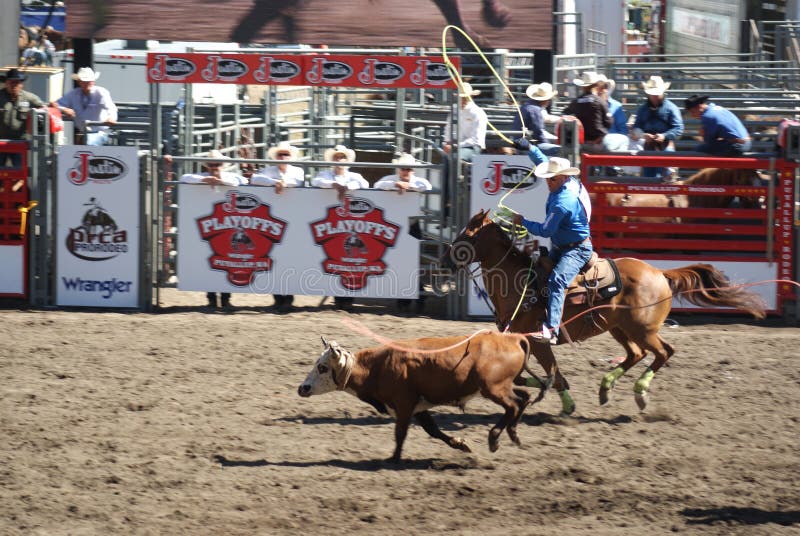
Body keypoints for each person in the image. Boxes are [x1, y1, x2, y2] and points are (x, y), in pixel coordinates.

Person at [511, 157, 592, 343]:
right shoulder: (564, 185)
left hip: (577, 249)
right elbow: (542, 159)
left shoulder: (563, 202)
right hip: (562, 246)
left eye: (552, 179)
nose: (548, 182)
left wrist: (522, 221)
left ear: (564, 177)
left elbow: (546, 230)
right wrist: (529, 148)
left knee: (556, 281)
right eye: (547, 178)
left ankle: (552, 330)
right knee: (537, 274)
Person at [179, 150, 248, 309]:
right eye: (211, 164)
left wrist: (220, 181)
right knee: (210, 257)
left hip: (225, 223)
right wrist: (205, 179)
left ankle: (225, 297)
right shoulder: (200, 177)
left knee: (226, 258)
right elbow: (184, 178)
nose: (214, 167)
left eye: (217, 164)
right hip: (213, 223)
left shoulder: (231, 177)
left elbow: (243, 181)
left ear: (222, 165)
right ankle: (211, 297)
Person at [311, 144, 368, 310]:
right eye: (336, 157)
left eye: (342, 157)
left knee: (348, 259)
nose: (339, 160)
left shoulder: (355, 176)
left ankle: (347, 298)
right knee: (337, 256)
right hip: (337, 224)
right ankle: (339, 296)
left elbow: (364, 183)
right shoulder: (325, 175)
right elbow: (317, 181)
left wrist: (348, 188)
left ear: (347, 160)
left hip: (346, 223)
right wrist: (335, 185)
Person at [251, 141, 305, 310]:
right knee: (273, 255)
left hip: (291, 216)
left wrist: (283, 182)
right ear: (276, 156)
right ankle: (278, 297)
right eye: (280, 154)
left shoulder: (297, 171)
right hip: (272, 219)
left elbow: (299, 181)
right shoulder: (268, 171)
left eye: (286, 154)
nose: (283, 157)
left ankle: (288, 296)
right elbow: (255, 179)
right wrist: (275, 182)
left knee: (288, 256)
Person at [375, 153, 432, 313]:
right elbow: (378, 185)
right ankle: (410, 296)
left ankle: (412, 296)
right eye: (403, 168)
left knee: (412, 262)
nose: (406, 171)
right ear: (398, 169)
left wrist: (409, 187)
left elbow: (427, 186)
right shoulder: (390, 179)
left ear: (413, 170)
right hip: (395, 226)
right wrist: (397, 184)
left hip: (411, 226)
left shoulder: (418, 181)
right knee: (400, 262)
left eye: (408, 168)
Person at [632, 76, 684, 180]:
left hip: (666, 147)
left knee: (668, 179)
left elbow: (678, 128)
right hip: (648, 148)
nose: (654, 97)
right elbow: (636, 127)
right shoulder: (642, 109)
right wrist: (643, 135)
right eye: (652, 94)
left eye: (656, 94)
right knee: (648, 180)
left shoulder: (671, 108)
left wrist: (664, 136)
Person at [563, 72, 627, 153]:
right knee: (625, 139)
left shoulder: (575, 103)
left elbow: (565, 115)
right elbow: (609, 122)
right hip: (598, 143)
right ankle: (614, 164)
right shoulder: (600, 102)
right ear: (595, 86)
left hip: (580, 144)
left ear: (583, 87)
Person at [51, 67, 117, 146]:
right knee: (84, 144)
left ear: (93, 81)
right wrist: (64, 109)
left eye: (89, 81)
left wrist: (111, 118)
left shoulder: (101, 92)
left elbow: (111, 108)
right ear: (79, 82)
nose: (87, 83)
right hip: (83, 133)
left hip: (100, 133)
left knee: (87, 144)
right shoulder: (73, 93)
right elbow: (54, 104)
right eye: (84, 81)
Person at [0, 68, 45, 168]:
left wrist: (60, 109)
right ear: (6, 83)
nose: (14, 85)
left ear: (21, 84)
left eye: (16, 83)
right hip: (0, 143)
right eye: (11, 82)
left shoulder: (29, 98)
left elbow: (43, 107)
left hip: (19, 143)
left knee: (21, 172)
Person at [684, 94, 752, 156]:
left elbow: (709, 142)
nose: (692, 116)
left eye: (693, 112)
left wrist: (703, 133)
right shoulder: (719, 108)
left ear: (699, 106)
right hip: (746, 142)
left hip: (737, 146)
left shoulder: (707, 116)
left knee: (699, 150)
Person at [511, 82, 560, 157]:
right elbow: (538, 134)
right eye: (549, 99)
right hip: (527, 146)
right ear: (545, 100)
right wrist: (550, 143)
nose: (549, 101)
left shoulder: (526, 106)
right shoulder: (535, 110)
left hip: (521, 144)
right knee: (559, 150)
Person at [444, 82, 487, 163]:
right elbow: (448, 128)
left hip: (473, 147)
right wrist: (448, 142)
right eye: (461, 98)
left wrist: (454, 146)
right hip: (458, 147)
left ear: (471, 97)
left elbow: (476, 140)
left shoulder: (478, 112)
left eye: (465, 98)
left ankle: (452, 175)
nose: (463, 100)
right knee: (448, 157)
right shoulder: (454, 110)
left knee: (454, 157)